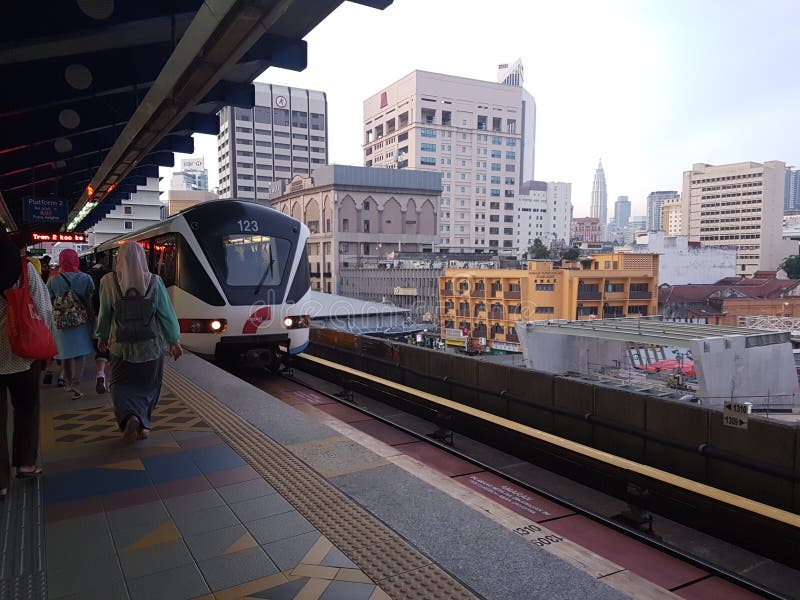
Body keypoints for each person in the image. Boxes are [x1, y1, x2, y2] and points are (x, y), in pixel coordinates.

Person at [96, 242, 182, 443]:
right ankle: (143, 426)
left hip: (120, 347)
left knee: (119, 385)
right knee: (149, 387)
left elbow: (105, 314)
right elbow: (166, 315)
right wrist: (173, 340)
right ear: (142, 258)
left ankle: (129, 417)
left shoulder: (108, 281)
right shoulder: (155, 281)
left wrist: (102, 336)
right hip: (150, 348)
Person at [0, 228, 53, 497]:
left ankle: (0, 482)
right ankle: (26, 464)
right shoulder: (24, 272)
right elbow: (44, 310)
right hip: (23, 356)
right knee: (27, 409)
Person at [47, 249, 95, 400]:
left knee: (64, 354)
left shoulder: (54, 279)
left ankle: (67, 383)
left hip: (60, 322)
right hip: (81, 320)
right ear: (76, 261)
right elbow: (90, 298)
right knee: (79, 355)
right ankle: (76, 383)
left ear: (61, 261)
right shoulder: (86, 278)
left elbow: (49, 298)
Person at [89, 262, 111, 393]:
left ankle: (100, 374)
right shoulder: (111, 289)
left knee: (100, 352)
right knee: (113, 354)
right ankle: (112, 382)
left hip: (96, 325)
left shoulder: (93, 293)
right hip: (112, 326)